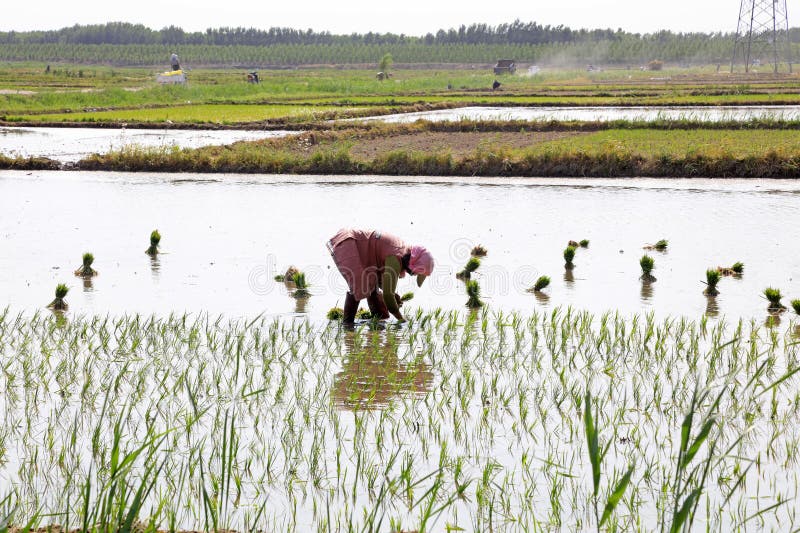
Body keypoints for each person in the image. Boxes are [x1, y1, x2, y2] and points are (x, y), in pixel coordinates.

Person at [327, 228, 434, 324]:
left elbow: (382, 283)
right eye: (415, 273)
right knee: (360, 285)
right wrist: (401, 319)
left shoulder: (402, 253)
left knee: (371, 284)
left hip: (361, 249)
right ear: (414, 264)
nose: (413, 275)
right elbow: (387, 295)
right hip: (349, 243)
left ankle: (379, 321)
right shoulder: (395, 258)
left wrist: (392, 294)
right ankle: (347, 325)